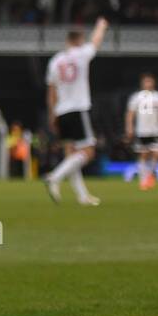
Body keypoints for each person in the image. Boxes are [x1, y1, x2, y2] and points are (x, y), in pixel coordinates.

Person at [42, 17, 108, 207]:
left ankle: (82, 196)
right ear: (79, 40)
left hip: (61, 111)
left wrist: (52, 115)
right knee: (88, 152)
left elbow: (51, 92)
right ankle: (55, 176)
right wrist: (101, 26)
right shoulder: (81, 54)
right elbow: (95, 42)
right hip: (78, 108)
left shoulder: (55, 61)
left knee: (71, 154)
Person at [125, 74, 158, 191]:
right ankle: (143, 180)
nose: (148, 84)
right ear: (142, 83)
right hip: (142, 130)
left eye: (150, 82)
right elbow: (130, 114)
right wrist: (129, 127)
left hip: (155, 130)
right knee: (144, 155)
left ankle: (149, 177)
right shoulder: (136, 97)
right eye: (146, 82)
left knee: (156, 153)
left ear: (153, 83)